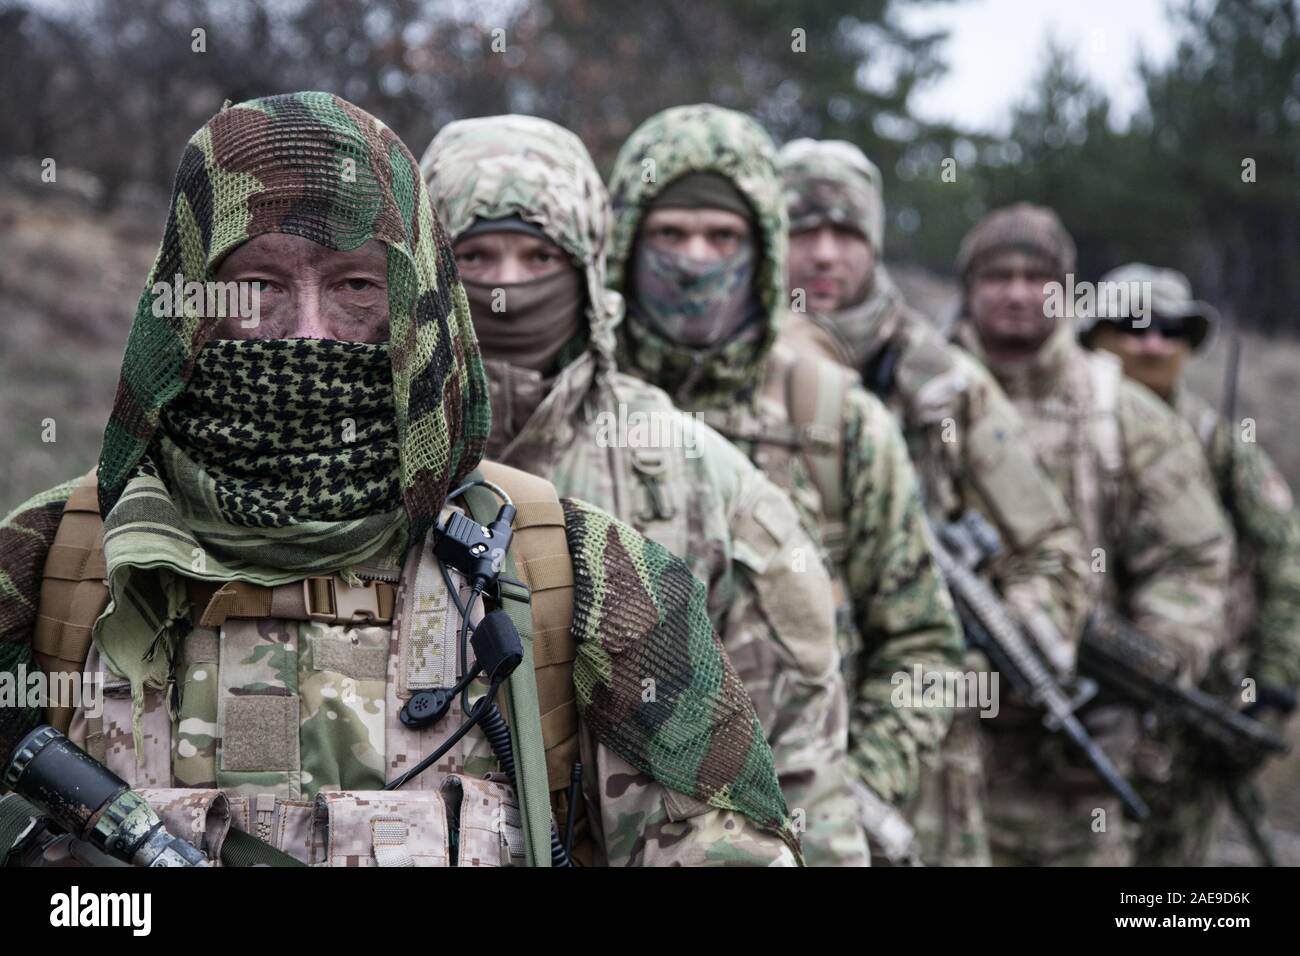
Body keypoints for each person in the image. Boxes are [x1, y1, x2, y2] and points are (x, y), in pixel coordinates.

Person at [0, 92, 799, 868]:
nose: (308, 333)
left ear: (417, 307)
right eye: (259, 286)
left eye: (355, 287)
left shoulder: (585, 575)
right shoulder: (49, 564)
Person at [419, 113, 865, 865]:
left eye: (538, 254)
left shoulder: (695, 470)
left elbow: (796, 746)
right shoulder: (366, 459)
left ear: (589, 265)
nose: (506, 286)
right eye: (476, 254)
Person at [604, 104, 965, 862]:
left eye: (722, 237)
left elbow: (924, 646)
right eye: (670, 234)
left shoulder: (840, 421)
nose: (696, 260)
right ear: (626, 244)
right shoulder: (575, 409)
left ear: (760, 250)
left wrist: (855, 786)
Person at [777, 139, 1093, 865]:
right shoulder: (725, 360)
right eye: (803, 231)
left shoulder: (944, 381)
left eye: (847, 234)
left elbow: (1050, 547)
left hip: (920, 758)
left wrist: (1018, 630)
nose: (825, 255)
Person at [949, 204, 1232, 865]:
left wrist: (1142, 681)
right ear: (969, 287)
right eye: (998, 276)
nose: (1018, 292)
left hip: (1072, 770)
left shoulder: (1122, 414)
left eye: (1037, 277)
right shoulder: (914, 396)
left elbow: (1192, 562)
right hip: (938, 757)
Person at [1085, 262, 1300, 865]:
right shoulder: (1052, 432)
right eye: (1133, 326)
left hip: (1190, 719)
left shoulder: (1220, 446)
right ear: (1094, 335)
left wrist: (1272, 689)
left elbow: (1285, 563)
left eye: (1170, 329)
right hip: (1077, 716)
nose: (1152, 343)